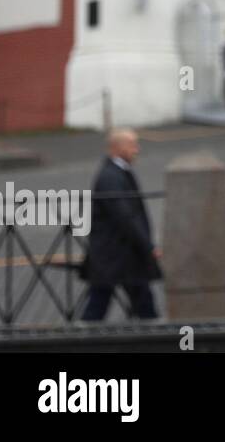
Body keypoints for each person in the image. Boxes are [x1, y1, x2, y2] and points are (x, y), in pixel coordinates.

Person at [81, 128, 161, 321]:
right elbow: (126, 216)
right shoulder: (111, 177)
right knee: (105, 303)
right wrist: (148, 246)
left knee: (106, 300)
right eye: (133, 145)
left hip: (118, 254)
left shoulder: (116, 172)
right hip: (118, 254)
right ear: (118, 147)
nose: (137, 149)